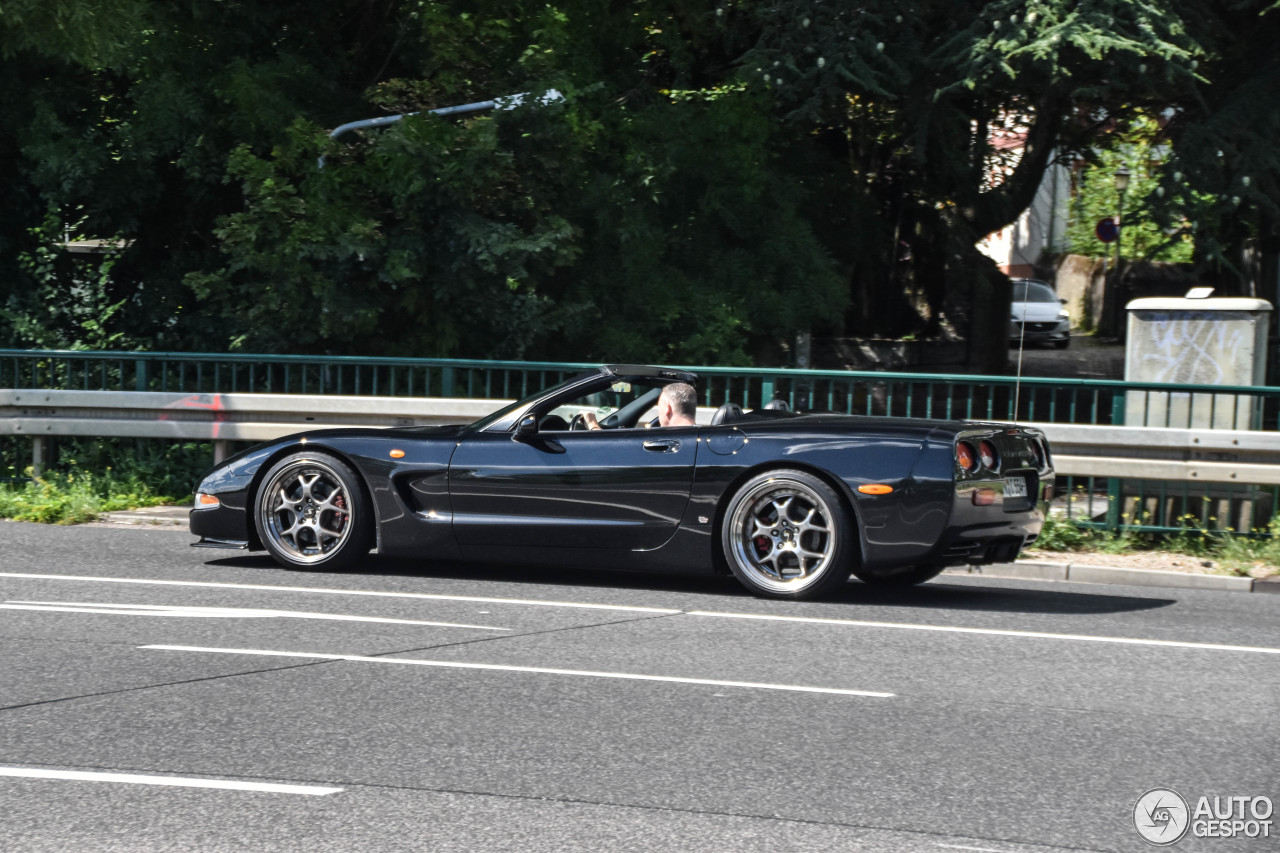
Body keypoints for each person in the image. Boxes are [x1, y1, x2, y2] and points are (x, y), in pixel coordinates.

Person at [583, 381, 697, 430]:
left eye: (659, 406)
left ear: (667, 408)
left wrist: (592, 424)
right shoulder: (701, 438)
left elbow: (609, 453)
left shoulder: (668, 439)